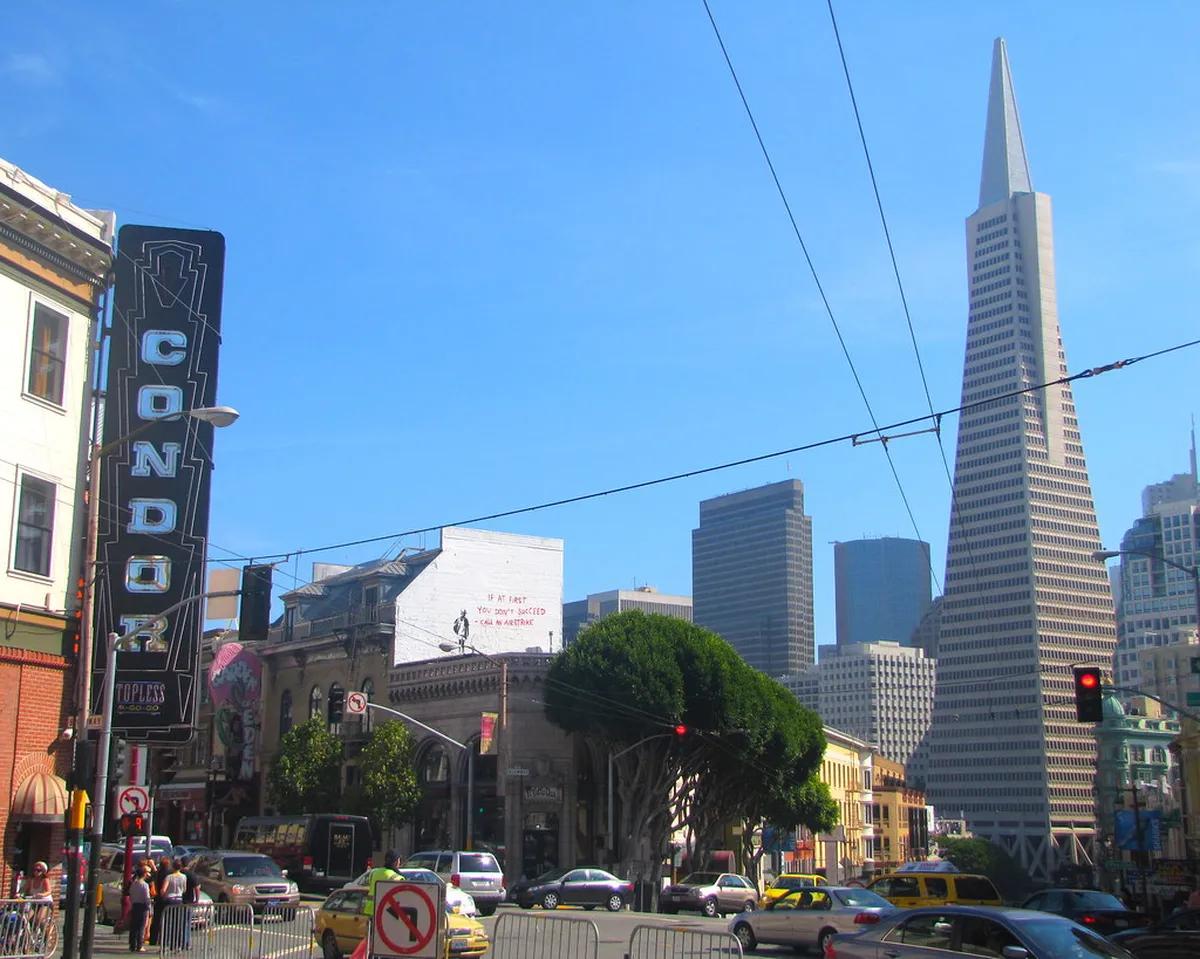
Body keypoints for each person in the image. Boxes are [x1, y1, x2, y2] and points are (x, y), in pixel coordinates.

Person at [361, 850, 402, 918]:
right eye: (399, 860)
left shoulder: (374, 872)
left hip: (370, 910)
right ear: (396, 862)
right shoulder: (397, 877)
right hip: (386, 913)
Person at [160, 860, 187, 950]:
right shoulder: (183, 877)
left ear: (173, 867)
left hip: (169, 899)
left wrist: (163, 896)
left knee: (167, 923)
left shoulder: (169, 877)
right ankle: (177, 945)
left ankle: (164, 944)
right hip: (179, 899)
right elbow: (184, 889)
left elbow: (163, 890)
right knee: (177, 923)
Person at [128, 868, 151, 952]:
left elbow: (131, 894)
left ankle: (132, 945)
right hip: (143, 906)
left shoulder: (133, 884)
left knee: (134, 927)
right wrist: (149, 906)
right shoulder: (145, 885)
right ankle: (139, 945)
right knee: (141, 927)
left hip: (135, 905)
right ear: (144, 874)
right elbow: (147, 897)